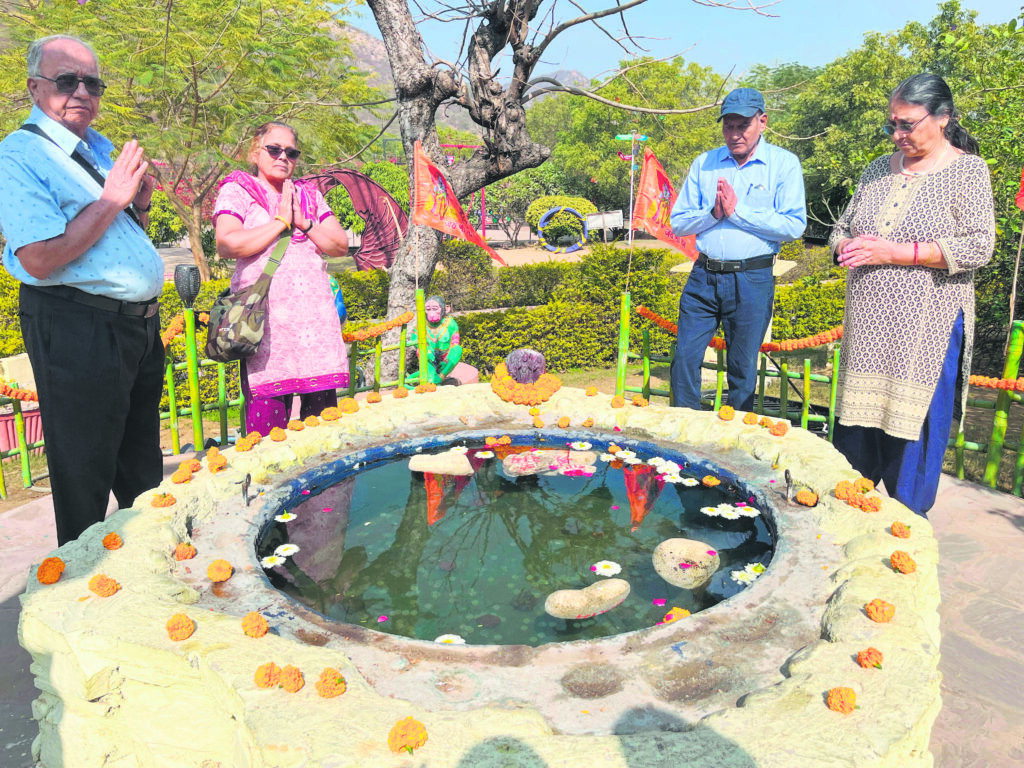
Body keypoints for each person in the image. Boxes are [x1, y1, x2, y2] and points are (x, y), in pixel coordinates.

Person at [0, 35, 163, 545]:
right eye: (66, 80)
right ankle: (84, 584)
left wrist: (137, 206)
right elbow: (39, 257)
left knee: (142, 472)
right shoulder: (19, 155)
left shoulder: (96, 147)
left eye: (92, 83)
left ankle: (147, 574)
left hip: (135, 327)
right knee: (86, 476)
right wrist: (113, 200)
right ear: (34, 87)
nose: (81, 92)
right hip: (78, 324)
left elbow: (107, 240)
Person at [830, 73, 995, 516]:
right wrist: (847, 245)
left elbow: (979, 245)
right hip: (867, 334)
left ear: (943, 118)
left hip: (924, 332)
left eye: (907, 124)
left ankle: (907, 536)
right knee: (853, 458)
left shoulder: (967, 171)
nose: (897, 135)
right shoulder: (876, 170)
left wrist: (895, 252)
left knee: (910, 452)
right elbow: (840, 228)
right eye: (892, 125)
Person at [669, 87, 806, 411]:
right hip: (703, 276)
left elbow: (793, 225)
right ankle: (686, 431)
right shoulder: (705, 163)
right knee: (684, 358)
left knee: (742, 368)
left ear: (762, 122)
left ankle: (735, 436)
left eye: (742, 126)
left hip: (752, 279)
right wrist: (714, 213)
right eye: (728, 126)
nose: (734, 134)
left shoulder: (783, 164)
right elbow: (679, 223)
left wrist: (737, 212)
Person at [213, 122, 350, 434]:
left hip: (316, 330)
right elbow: (227, 243)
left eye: (291, 152)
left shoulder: (309, 196)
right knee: (267, 435)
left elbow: (340, 245)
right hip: (267, 329)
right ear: (255, 152)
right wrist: (280, 222)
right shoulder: (238, 189)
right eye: (274, 149)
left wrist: (304, 222)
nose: (283, 157)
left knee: (323, 433)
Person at [407, 295, 462, 385]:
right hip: (429, 355)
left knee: (457, 349)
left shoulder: (450, 323)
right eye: (428, 309)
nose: (431, 313)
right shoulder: (422, 322)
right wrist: (426, 349)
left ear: (446, 309)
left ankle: (440, 377)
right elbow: (415, 338)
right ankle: (431, 377)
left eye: (435, 309)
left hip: (445, 358)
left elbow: (455, 342)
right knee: (420, 350)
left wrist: (447, 360)